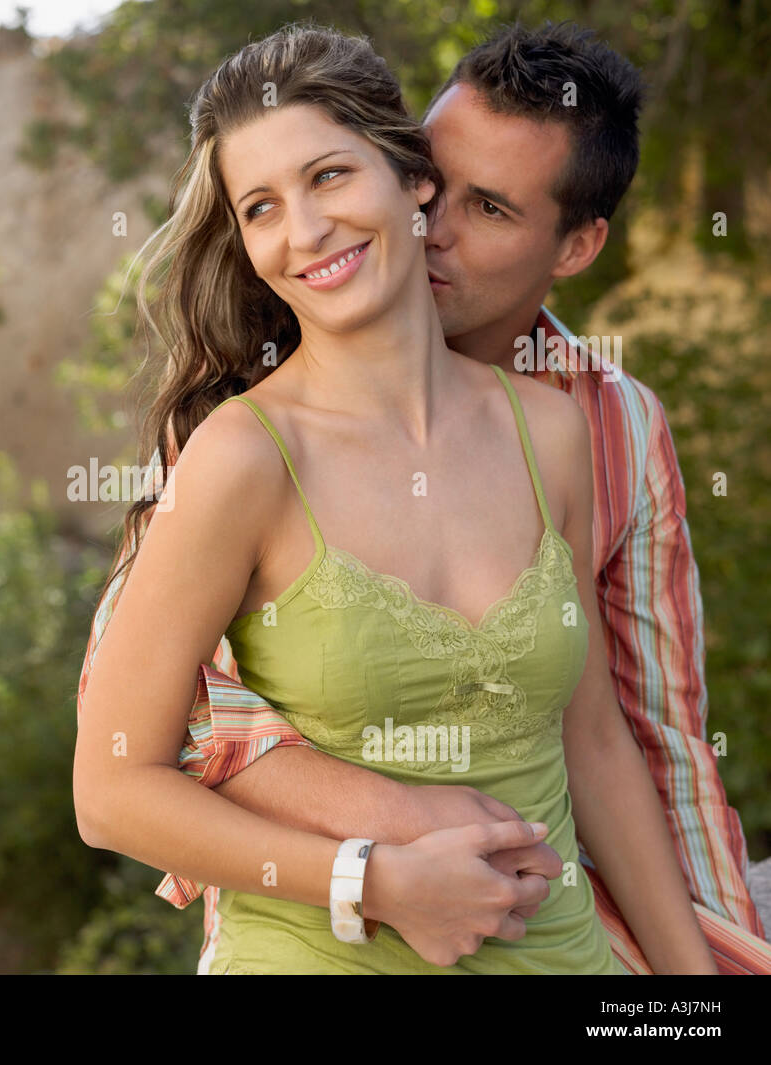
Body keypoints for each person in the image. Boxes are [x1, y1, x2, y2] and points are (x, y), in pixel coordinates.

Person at [78, 18, 771, 975]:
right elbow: (117, 777)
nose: (308, 230)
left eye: (329, 177)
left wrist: (698, 987)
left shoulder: (578, 429)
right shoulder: (235, 451)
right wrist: (373, 869)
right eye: (260, 207)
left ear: (408, 181)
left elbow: (617, 735)